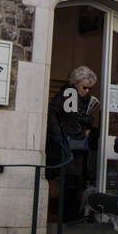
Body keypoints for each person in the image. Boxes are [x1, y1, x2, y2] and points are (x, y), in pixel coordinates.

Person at [46, 67, 100, 216]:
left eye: (90, 88)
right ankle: (66, 215)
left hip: (78, 143)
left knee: (76, 178)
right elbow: (52, 113)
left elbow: (82, 119)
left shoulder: (84, 99)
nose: (87, 91)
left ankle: (70, 214)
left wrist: (88, 125)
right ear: (76, 83)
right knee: (69, 178)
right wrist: (58, 135)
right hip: (65, 142)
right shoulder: (66, 93)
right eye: (85, 87)